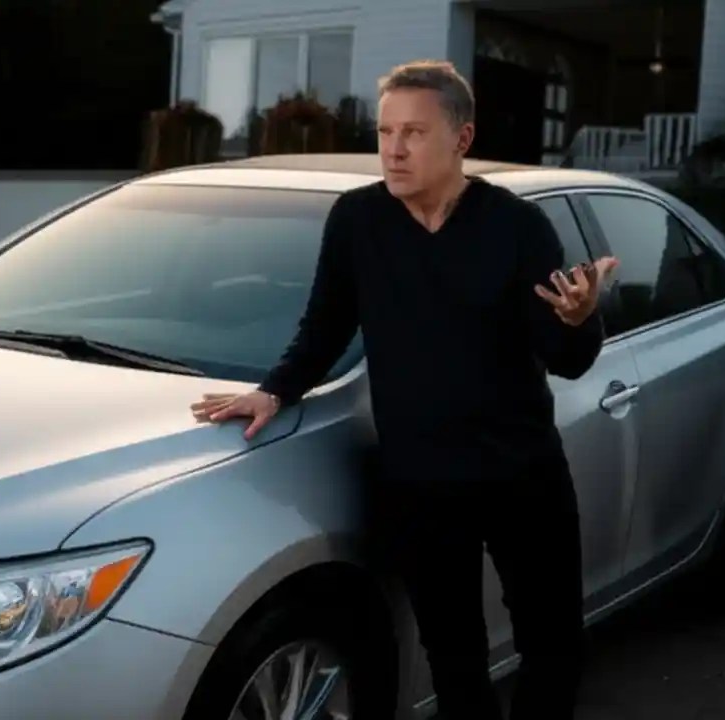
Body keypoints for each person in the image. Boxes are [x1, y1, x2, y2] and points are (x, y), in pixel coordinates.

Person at [190, 60, 620, 720]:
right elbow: (324, 327)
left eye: (414, 132)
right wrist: (275, 391)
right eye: (386, 131)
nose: (393, 148)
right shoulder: (357, 221)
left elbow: (566, 360)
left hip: (522, 476)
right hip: (423, 483)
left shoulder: (515, 227)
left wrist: (579, 319)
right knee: (454, 661)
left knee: (553, 646)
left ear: (462, 138)